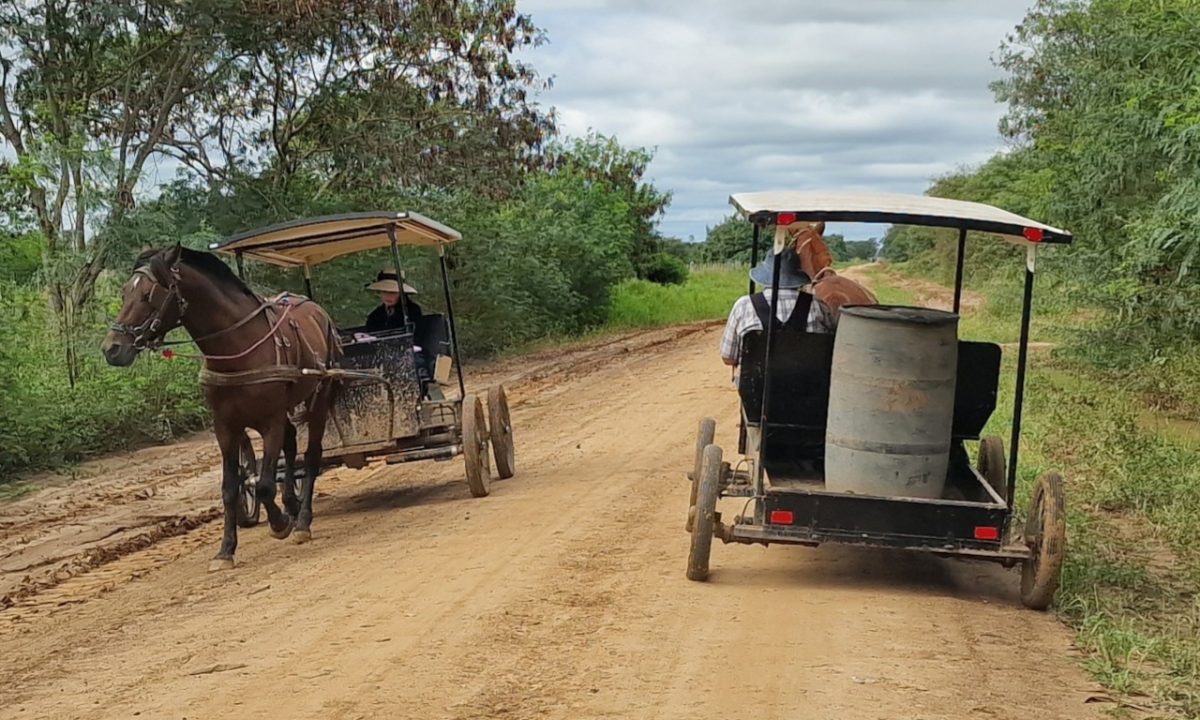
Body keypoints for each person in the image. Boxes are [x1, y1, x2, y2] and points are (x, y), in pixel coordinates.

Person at [719, 246, 836, 368]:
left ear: (765, 275)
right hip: (807, 384)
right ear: (796, 275)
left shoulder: (743, 306)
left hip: (757, 386)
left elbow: (728, 357)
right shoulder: (817, 305)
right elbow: (830, 349)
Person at [363, 268, 422, 332]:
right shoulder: (375, 316)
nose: (388, 296)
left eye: (393, 292)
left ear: (401, 293)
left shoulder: (412, 311)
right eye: (385, 291)